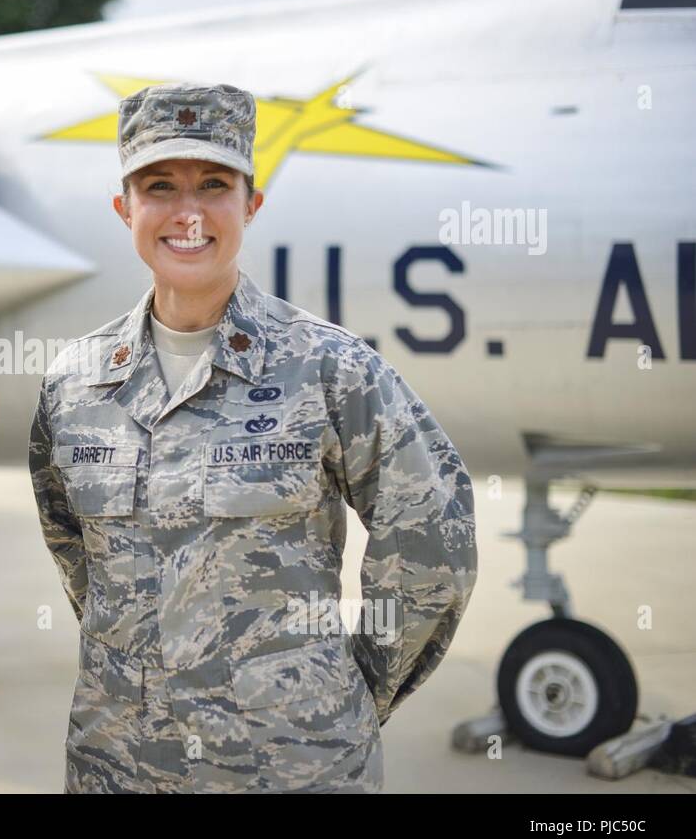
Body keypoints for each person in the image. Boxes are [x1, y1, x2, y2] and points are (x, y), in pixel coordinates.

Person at [28, 82, 478, 793]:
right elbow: (78, 557)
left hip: (293, 765)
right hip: (118, 764)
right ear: (125, 209)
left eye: (214, 185)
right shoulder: (74, 384)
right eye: (159, 186)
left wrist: (346, 691)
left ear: (251, 205)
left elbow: (431, 539)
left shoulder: (330, 369)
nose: (188, 212)